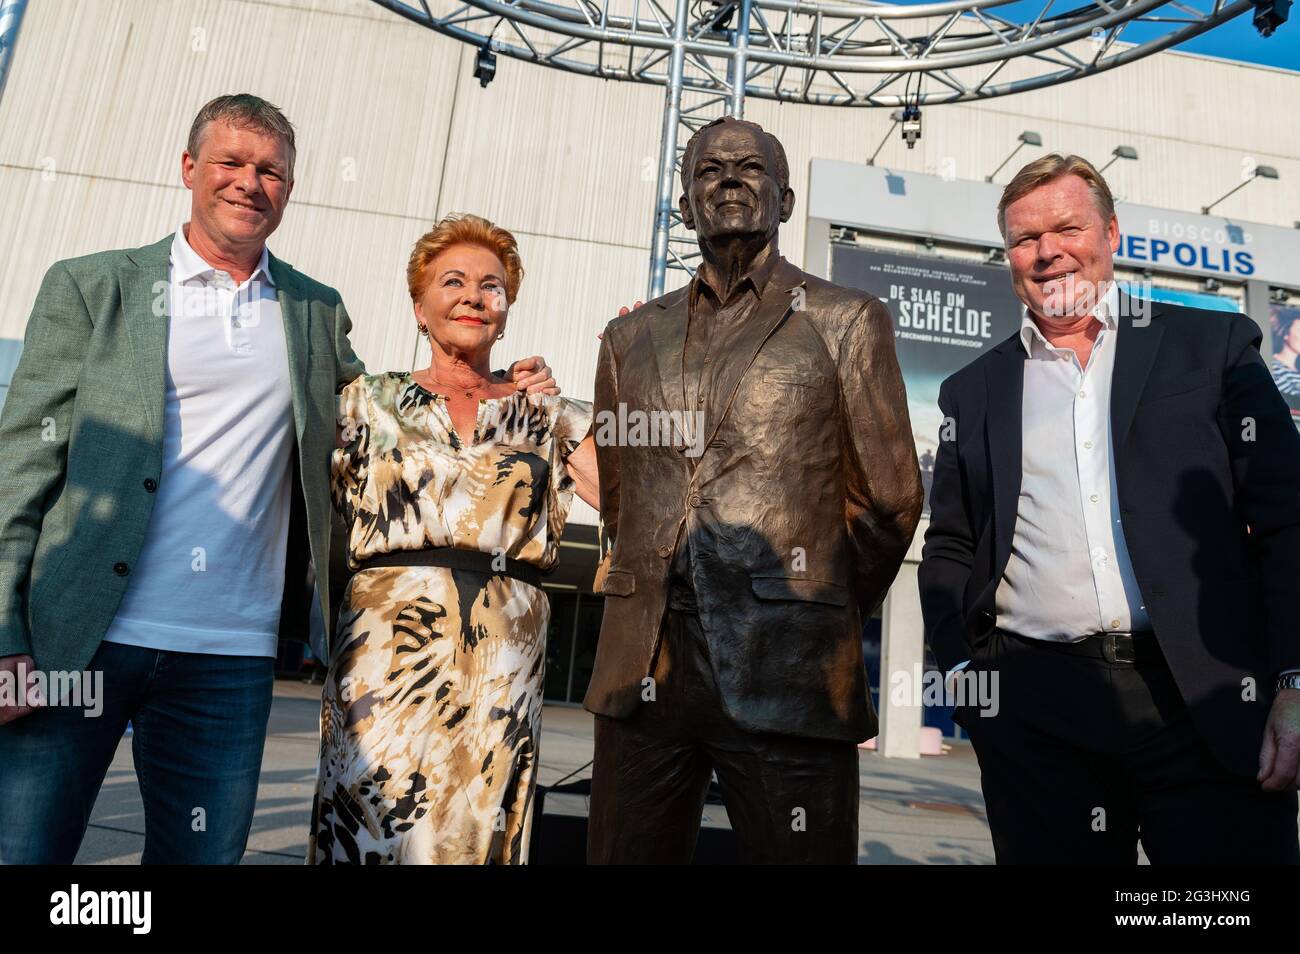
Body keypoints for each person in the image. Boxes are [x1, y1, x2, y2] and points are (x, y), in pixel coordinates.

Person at [0, 95, 555, 865]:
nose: (249, 183)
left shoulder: (313, 312)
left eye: (271, 171)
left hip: (227, 659)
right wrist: (5, 638)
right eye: (230, 163)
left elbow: (407, 421)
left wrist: (507, 389)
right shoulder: (94, 289)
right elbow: (19, 471)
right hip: (77, 642)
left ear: (288, 190)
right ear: (190, 169)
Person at [919, 153, 1300, 864]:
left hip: (1204, 702)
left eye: (1066, 227)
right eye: (1025, 239)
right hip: (1038, 714)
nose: (1047, 252)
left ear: (1113, 232)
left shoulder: (1211, 347)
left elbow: (1287, 523)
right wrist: (968, 682)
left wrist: (1293, 683)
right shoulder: (972, 391)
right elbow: (950, 549)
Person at [584, 116, 924, 864]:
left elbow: (891, 501)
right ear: (683, 206)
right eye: (709, 170)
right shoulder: (629, 338)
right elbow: (621, 491)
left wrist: (813, 603)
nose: (729, 180)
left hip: (788, 666)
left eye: (750, 168)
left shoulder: (846, 321)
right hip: (647, 668)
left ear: (786, 199)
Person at [307, 214, 600, 865]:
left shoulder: (546, 412)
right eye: (453, 281)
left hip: (502, 669)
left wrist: (642, 368)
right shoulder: (362, 402)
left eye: (490, 285)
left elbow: (642, 497)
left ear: (506, 310)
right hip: (383, 664)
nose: (473, 294)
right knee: (374, 826)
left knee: (477, 832)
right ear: (419, 307)